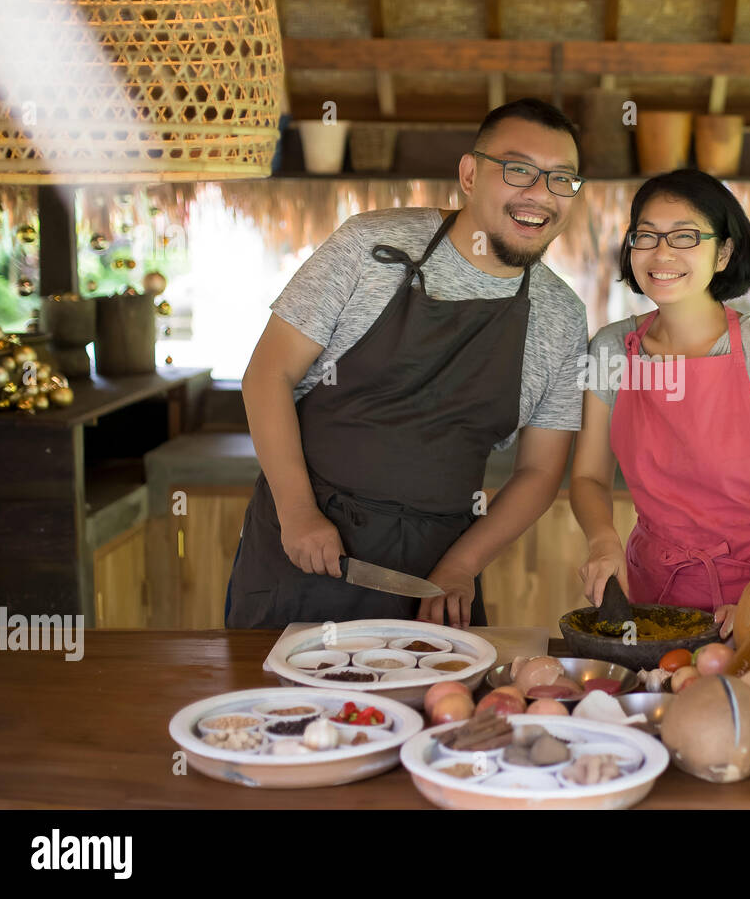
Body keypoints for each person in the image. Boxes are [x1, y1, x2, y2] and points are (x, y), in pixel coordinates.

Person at [225, 98, 589, 630]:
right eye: (518, 170)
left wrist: (463, 565)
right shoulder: (368, 245)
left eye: (562, 179)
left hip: (436, 576)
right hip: (307, 550)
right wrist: (298, 512)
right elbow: (266, 375)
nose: (541, 194)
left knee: (442, 713)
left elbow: (539, 471)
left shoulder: (561, 316)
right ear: (469, 173)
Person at [571, 169, 750, 638]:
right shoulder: (611, 349)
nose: (662, 253)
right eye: (645, 236)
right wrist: (602, 539)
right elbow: (588, 476)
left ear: (723, 252)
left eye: (685, 236)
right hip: (650, 597)